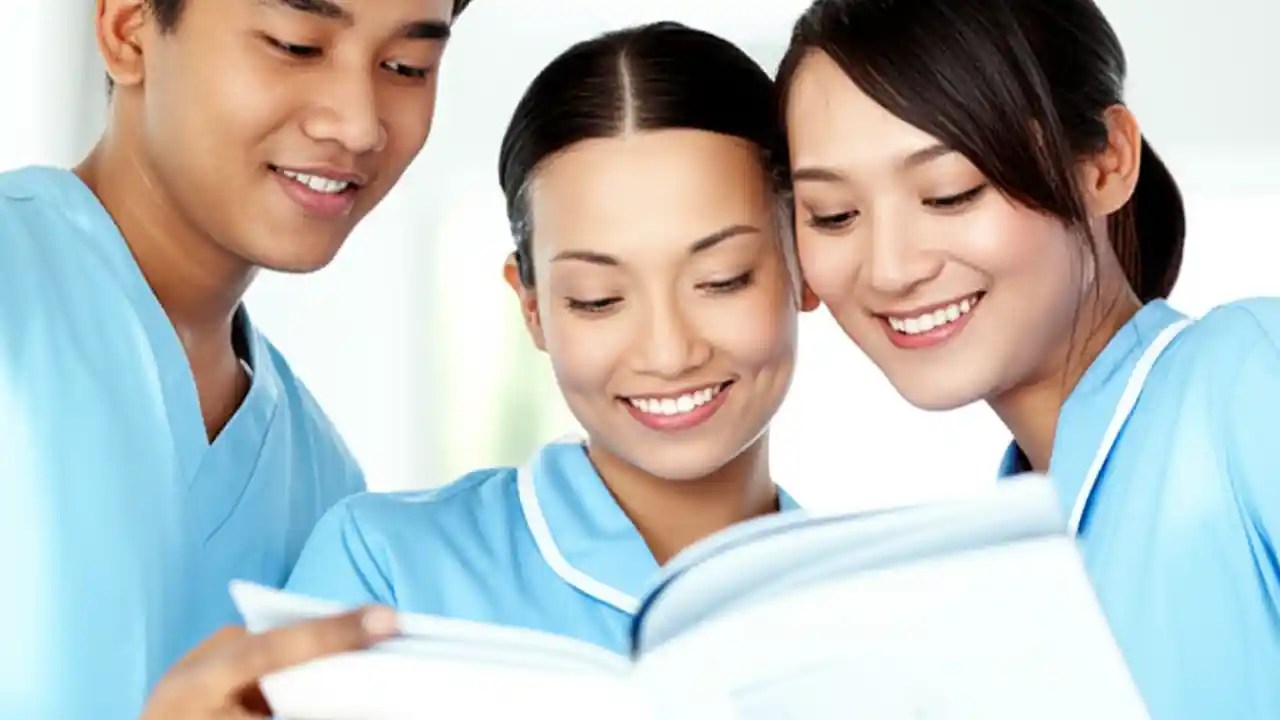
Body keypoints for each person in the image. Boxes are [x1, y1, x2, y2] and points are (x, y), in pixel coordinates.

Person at [776, 0, 1280, 717]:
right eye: (834, 215)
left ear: (1106, 162)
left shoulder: (1248, 382)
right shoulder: (1004, 570)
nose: (889, 269)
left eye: (949, 193)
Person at [285, 21, 818, 655]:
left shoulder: (880, 609)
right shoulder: (384, 570)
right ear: (532, 306)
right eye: (598, 298)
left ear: (804, 264)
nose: (669, 353)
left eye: (722, 280)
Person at [0, 0, 470, 717]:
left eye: (406, 67)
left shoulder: (323, 484)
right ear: (129, 30)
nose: (358, 123)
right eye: (295, 46)